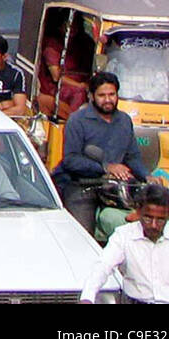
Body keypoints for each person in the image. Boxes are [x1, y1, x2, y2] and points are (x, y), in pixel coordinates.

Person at [79, 184, 169, 304]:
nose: (154, 225)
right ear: (138, 211)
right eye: (148, 218)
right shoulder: (123, 235)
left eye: (161, 219)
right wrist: (87, 297)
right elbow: (102, 267)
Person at [51, 71, 147, 234]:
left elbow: (133, 156)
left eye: (112, 94)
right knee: (81, 235)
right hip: (82, 186)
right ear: (91, 96)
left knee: (140, 225)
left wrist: (147, 175)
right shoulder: (77, 120)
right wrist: (106, 167)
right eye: (102, 95)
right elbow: (70, 160)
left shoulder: (124, 120)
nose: (108, 99)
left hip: (115, 188)